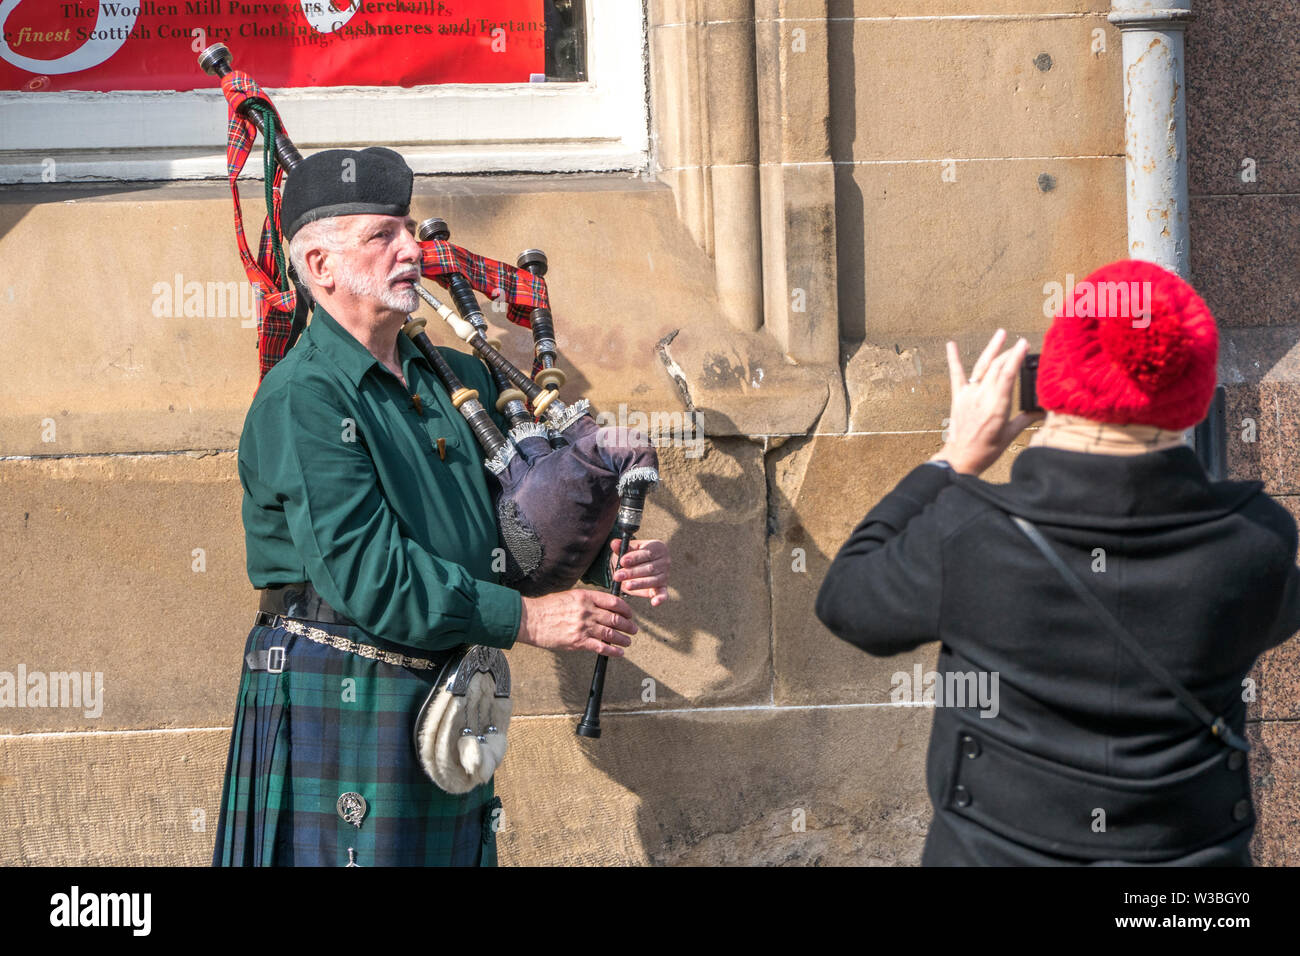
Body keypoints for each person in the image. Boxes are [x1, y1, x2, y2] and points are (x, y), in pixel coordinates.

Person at [211, 147, 670, 867]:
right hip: (340, 686)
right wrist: (527, 618)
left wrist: (602, 549)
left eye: (406, 229)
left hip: (445, 689)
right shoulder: (306, 399)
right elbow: (369, 575)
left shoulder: (451, 376)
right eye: (380, 236)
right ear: (322, 268)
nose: (410, 249)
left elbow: (516, 529)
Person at [816, 259, 1300, 865]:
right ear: (1195, 393)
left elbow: (847, 602)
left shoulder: (972, 533)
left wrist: (954, 458)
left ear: (1054, 384)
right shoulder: (1259, 542)